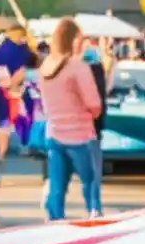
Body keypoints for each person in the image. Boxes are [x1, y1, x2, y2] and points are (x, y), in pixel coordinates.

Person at [38, 17, 102, 221]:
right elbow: (94, 104)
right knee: (90, 182)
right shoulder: (78, 67)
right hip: (80, 134)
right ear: (73, 40)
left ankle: (55, 221)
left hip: (54, 132)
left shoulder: (46, 66)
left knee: (57, 186)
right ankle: (94, 216)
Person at [0, 25, 33, 173]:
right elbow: (23, 70)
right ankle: (21, 145)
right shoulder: (21, 52)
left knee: (1, 123)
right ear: (21, 36)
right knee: (21, 118)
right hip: (15, 91)